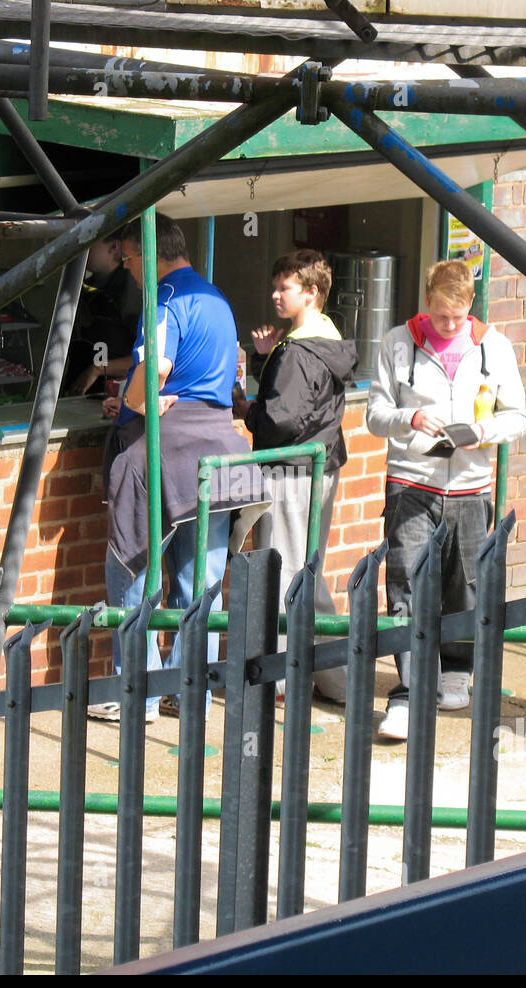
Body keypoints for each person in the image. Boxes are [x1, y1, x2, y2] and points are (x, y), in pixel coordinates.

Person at [92, 213, 261, 722]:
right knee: (200, 583)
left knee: (131, 572)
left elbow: (155, 372)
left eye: (127, 259)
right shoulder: (217, 299)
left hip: (170, 454)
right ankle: (190, 692)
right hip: (221, 449)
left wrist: (139, 399)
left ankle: (137, 695)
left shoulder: (163, 300)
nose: (128, 270)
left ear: (147, 253)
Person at [366, 259, 526, 742]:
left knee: (467, 585)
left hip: (471, 486)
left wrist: (483, 430)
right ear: (427, 301)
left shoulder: (493, 346)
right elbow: (375, 414)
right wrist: (408, 419)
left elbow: (518, 417)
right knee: (406, 586)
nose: (450, 325)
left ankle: (457, 667)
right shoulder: (397, 342)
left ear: (470, 306)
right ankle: (412, 690)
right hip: (412, 482)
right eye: (441, 317)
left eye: (458, 317)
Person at [233, 249, 357, 703]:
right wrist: (269, 357)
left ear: (311, 292)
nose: (274, 294)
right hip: (321, 466)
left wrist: (249, 413)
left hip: (290, 471)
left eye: (284, 287)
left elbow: (282, 420)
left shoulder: (298, 351)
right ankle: (338, 678)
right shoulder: (324, 338)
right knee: (307, 569)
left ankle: (282, 680)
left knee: (282, 571)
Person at [63, 236, 140, 396]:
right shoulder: (83, 286)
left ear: (114, 247)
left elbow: (149, 356)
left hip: (118, 394)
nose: (82, 251)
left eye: (90, 245)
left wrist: (98, 369)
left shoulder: (132, 292)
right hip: (80, 391)